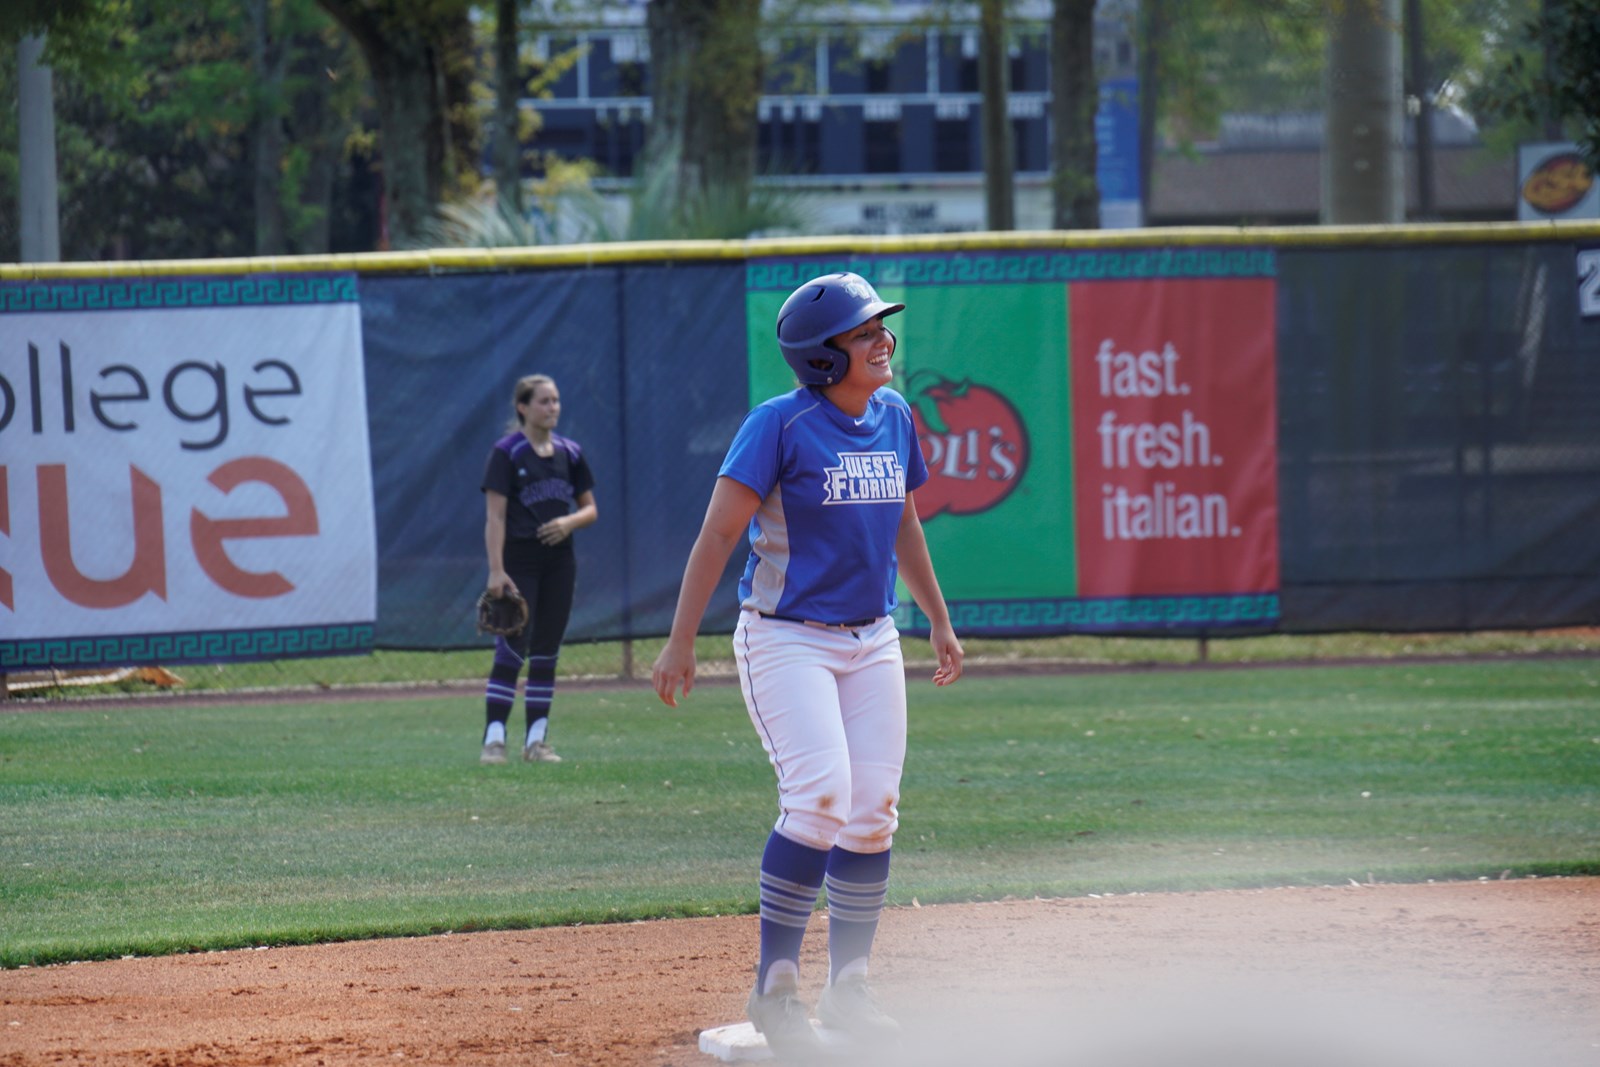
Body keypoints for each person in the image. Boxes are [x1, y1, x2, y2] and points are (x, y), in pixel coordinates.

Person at [651, 273, 964, 1060]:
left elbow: (907, 526)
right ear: (824, 358)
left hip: (872, 638)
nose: (882, 340)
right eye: (864, 334)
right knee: (820, 797)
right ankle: (776, 985)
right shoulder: (778, 425)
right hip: (786, 637)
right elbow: (719, 535)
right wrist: (680, 639)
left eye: (879, 328)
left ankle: (849, 985)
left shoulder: (894, 416)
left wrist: (937, 615)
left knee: (874, 808)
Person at [479, 374, 598, 765]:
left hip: (559, 561)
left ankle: (536, 741)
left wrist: (569, 523)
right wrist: (497, 571)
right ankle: (494, 740)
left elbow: (590, 508)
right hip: (519, 560)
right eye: (544, 401)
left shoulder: (570, 453)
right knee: (512, 646)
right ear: (523, 407)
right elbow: (494, 517)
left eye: (555, 400)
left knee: (546, 650)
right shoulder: (507, 453)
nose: (552, 408)